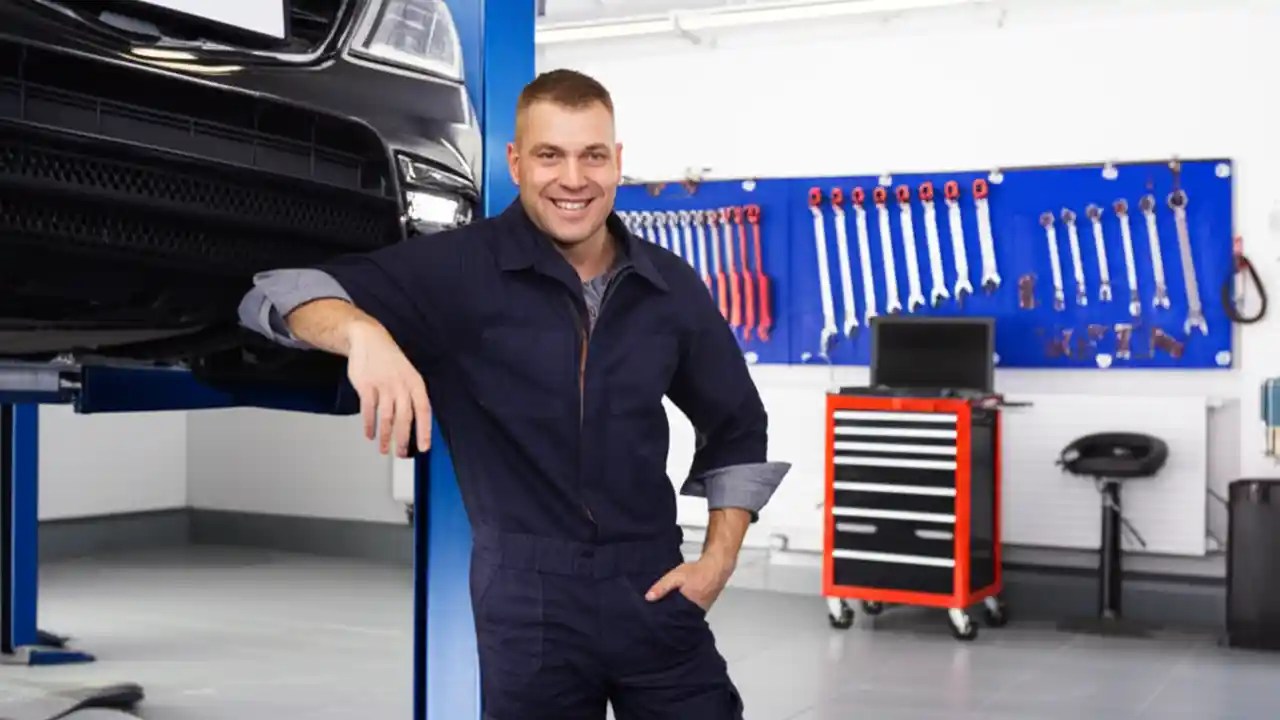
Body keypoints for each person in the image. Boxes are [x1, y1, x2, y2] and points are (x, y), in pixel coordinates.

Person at [237, 68, 789, 719]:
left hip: (653, 588)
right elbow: (274, 293)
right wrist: (362, 333)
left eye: (593, 155)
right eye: (550, 155)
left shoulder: (668, 286)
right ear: (517, 161)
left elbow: (738, 423)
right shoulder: (457, 271)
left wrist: (718, 560)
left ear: (618, 162)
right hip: (529, 605)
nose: (574, 179)